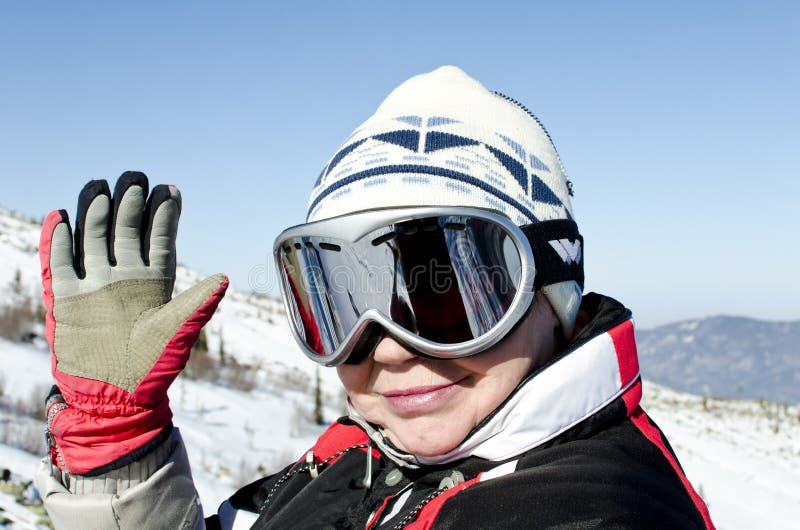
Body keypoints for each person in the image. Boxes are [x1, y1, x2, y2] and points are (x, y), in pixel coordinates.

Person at [34, 66, 714, 529]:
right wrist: (118, 451)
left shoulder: (592, 509)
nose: (384, 347)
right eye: (338, 298)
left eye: (443, 289)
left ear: (552, 288)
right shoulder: (372, 458)